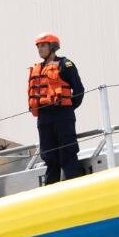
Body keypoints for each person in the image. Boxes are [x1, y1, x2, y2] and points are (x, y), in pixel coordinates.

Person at [28, 31, 86, 184]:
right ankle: (51, 189)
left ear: (52, 46)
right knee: (49, 156)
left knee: (68, 154)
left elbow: (79, 90)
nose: (39, 49)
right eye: (38, 46)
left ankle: (75, 186)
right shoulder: (37, 69)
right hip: (44, 118)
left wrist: (68, 108)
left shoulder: (65, 64)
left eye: (43, 46)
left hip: (63, 116)